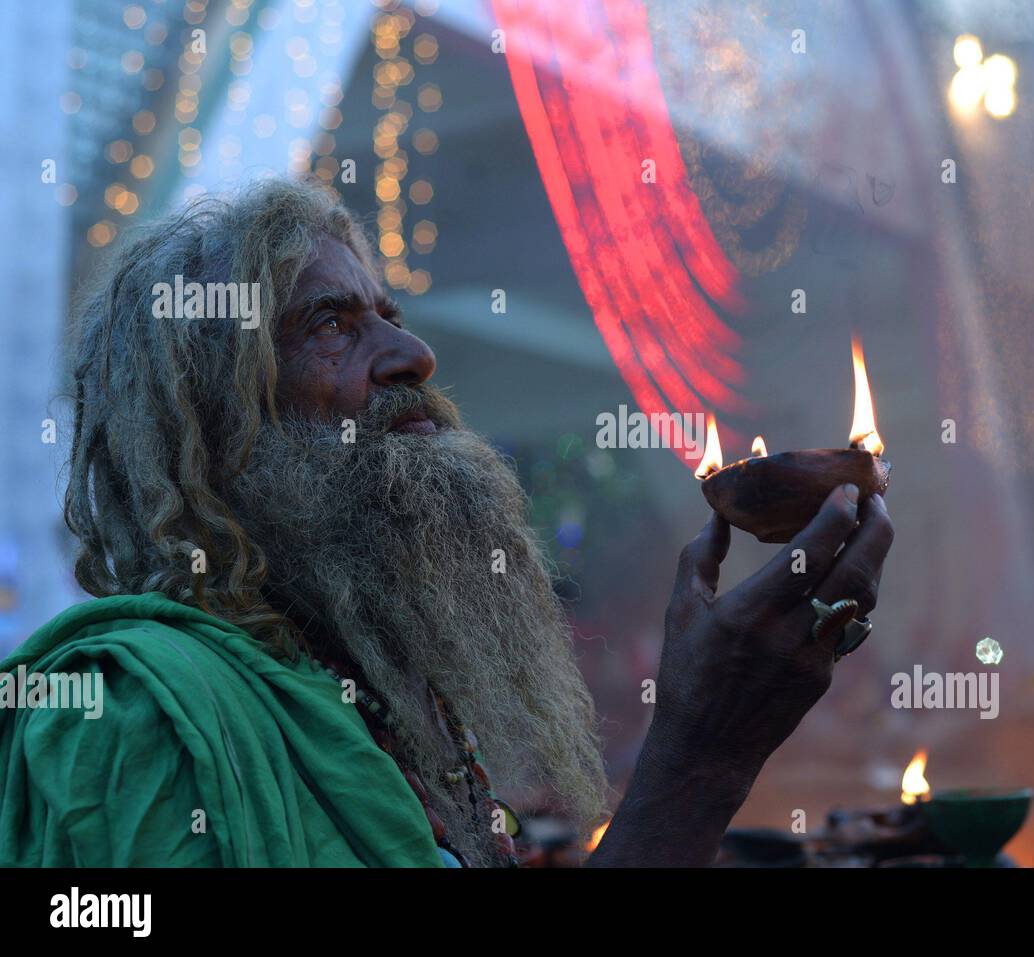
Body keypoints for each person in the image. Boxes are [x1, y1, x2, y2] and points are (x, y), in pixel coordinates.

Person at [0, 178, 893, 867]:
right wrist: (702, 753)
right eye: (332, 324)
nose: (415, 355)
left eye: (389, 315)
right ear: (207, 422)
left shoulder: (379, 696)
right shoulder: (123, 725)